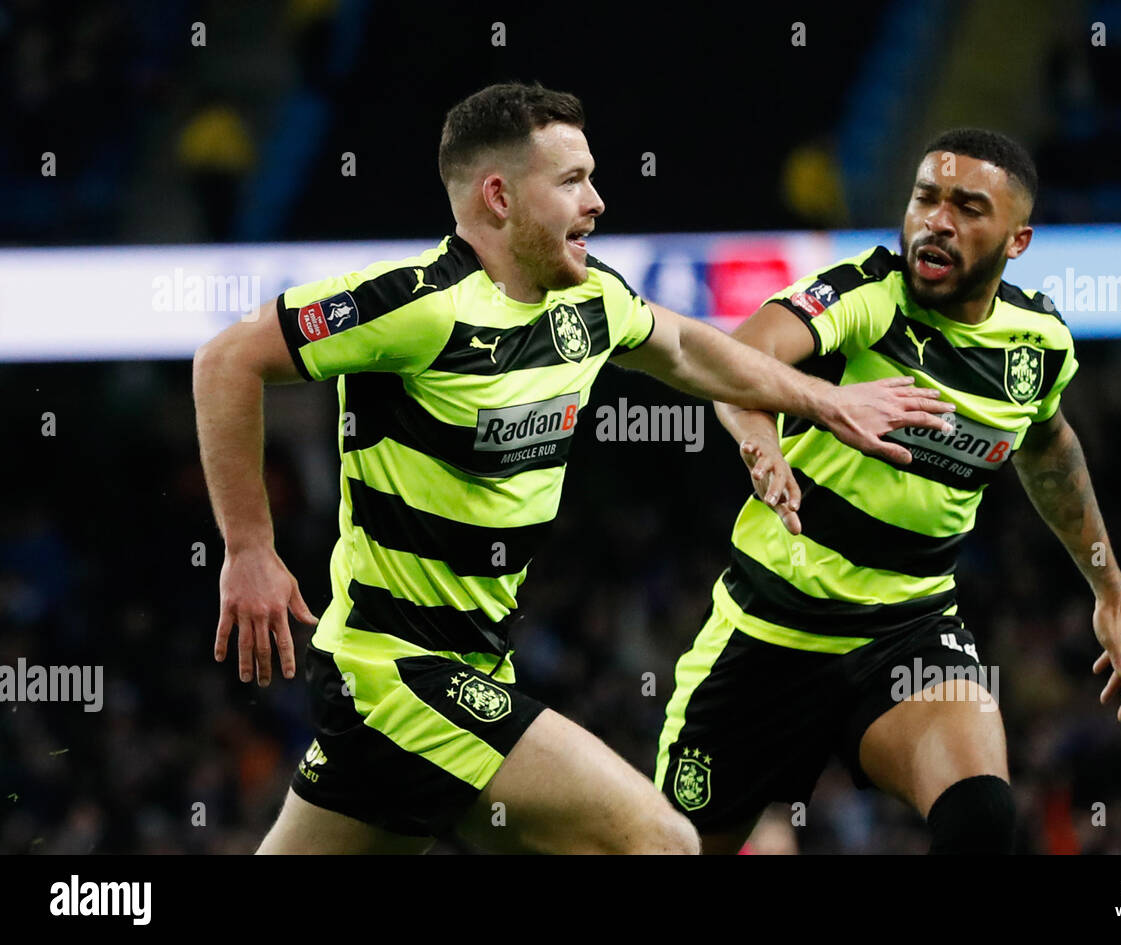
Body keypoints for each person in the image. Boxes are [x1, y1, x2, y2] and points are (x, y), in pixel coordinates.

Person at [192, 82, 954, 854]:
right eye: (571, 182)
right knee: (660, 841)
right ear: (499, 195)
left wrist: (824, 402)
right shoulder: (418, 304)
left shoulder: (590, 305)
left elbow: (693, 351)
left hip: (466, 670)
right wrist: (250, 548)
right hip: (396, 674)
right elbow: (228, 360)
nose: (596, 202)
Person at [654, 128, 1121, 854]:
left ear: (1018, 240)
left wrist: (1108, 589)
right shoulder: (867, 293)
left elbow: (1048, 448)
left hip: (905, 633)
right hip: (769, 630)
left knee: (981, 818)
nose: (937, 220)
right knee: (681, 847)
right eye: (926, 197)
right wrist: (759, 439)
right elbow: (734, 358)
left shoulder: (1037, 344)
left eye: (969, 207)